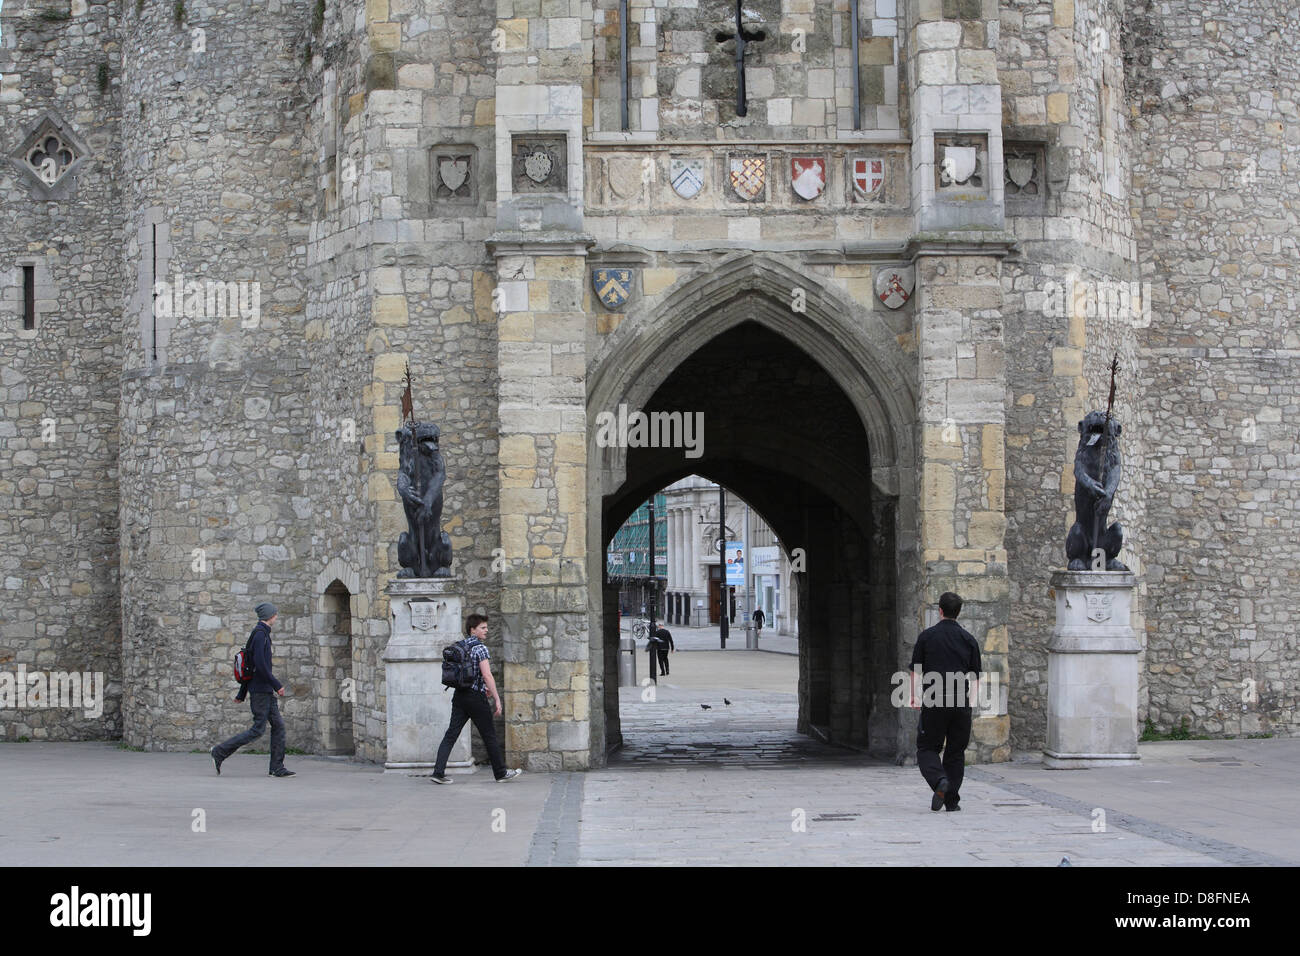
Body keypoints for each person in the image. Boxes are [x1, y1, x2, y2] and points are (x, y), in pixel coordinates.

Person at [909, 592, 981, 812]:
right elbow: (976, 676)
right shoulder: (969, 639)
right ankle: (951, 801)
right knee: (956, 752)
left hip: (934, 701)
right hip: (960, 702)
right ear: (958, 612)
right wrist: (971, 703)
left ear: (940, 611)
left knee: (927, 748)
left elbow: (916, 671)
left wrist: (914, 696)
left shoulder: (927, 637)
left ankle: (939, 779)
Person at [431, 614, 522, 784]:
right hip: (476, 699)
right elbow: (487, 675)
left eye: (486, 627)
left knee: (451, 734)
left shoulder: (462, 646)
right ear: (473, 629)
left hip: (460, 696)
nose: (486, 630)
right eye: (483, 628)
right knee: (489, 735)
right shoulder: (480, 648)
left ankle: (438, 772)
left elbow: (470, 674)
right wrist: (497, 698)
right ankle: (501, 773)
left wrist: (482, 685)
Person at [210, 602, 294, 777]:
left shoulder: (260, 634)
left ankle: (276, 768)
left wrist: (242, 693)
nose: (277, 617)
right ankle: (219, 752)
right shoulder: (260, 635)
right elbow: (260, 666)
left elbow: (250, 668)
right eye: (275, 614)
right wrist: (277, 685)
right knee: (258, 729)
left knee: (278, 726)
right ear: (270, 616)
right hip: (261, 691)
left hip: (263, 690)